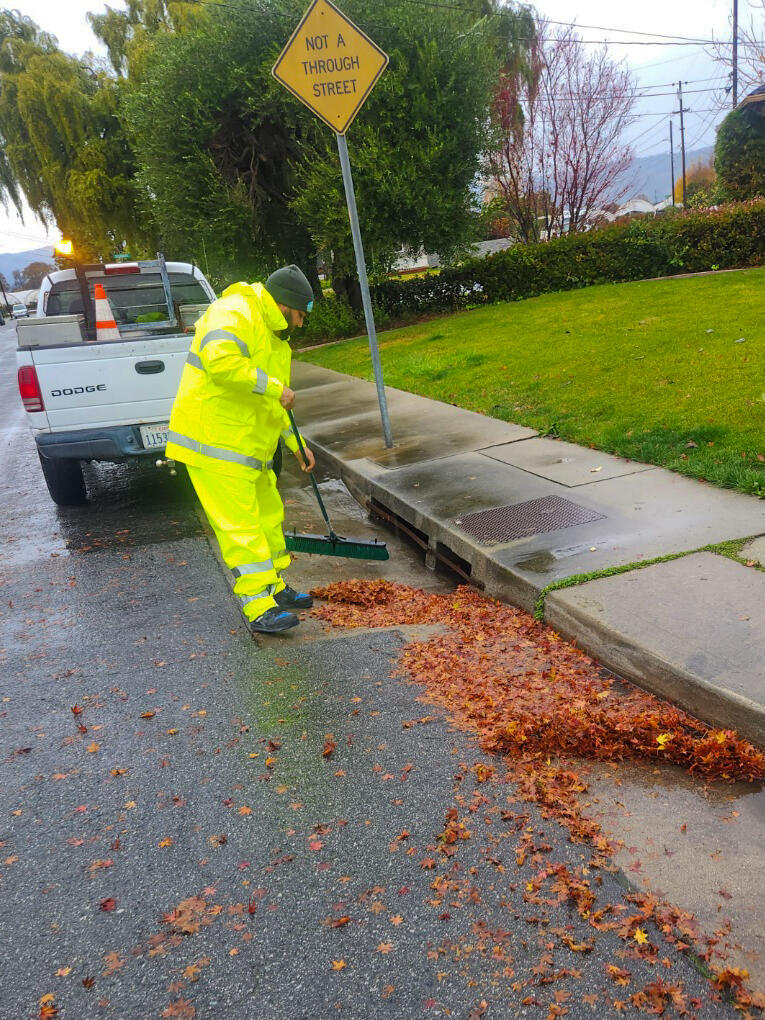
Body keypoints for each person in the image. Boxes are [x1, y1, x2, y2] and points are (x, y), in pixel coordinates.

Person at [166, 264, 317, 635]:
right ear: (284, 306)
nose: (299, 325)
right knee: (241, 528)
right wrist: (273, 389)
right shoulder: (235, 311)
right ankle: (258, 606)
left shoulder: (273, 338)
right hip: (215, 445)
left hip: (249, 448)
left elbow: (273, 401)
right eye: (299, 316)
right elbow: (222, 363)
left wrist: (296, 444)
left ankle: (275, 588)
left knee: (268, 519)